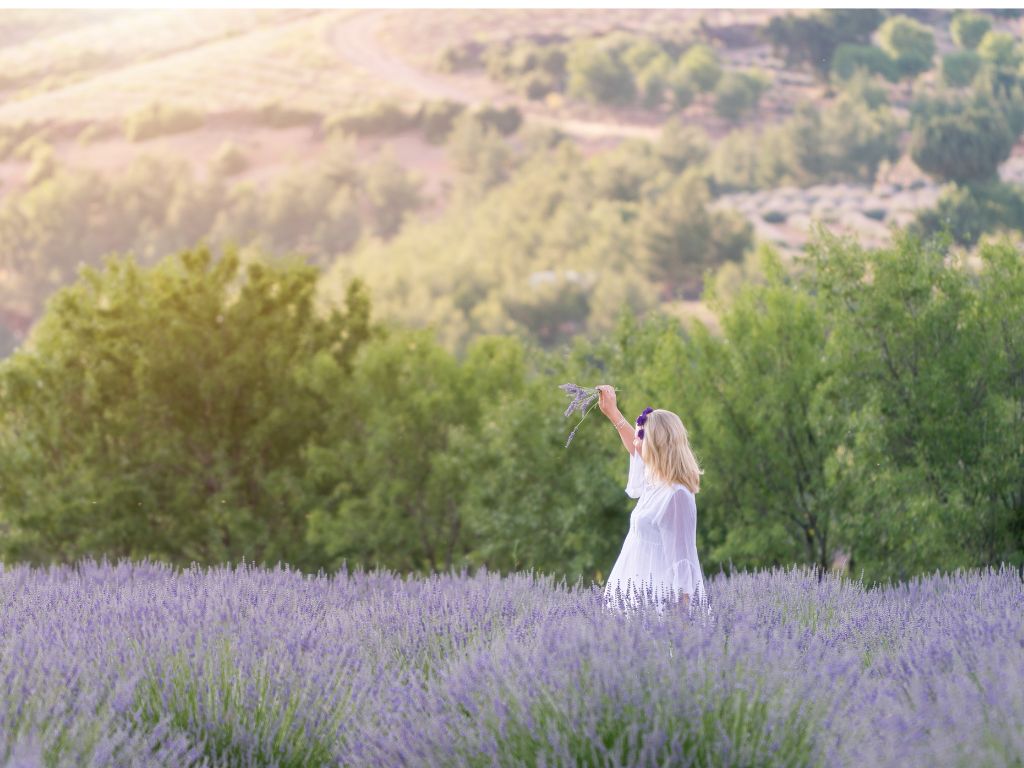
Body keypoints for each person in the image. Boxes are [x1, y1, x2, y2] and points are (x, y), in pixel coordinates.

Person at [595, 384, 707, 617]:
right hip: (635, 595)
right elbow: (634, 450)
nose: (636, 442)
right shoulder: (655, 482)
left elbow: (682, 561)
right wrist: (612, 413)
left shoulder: (676, 496)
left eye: (642, 436)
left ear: (657, 444)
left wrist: (682, 627)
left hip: (659, 603)